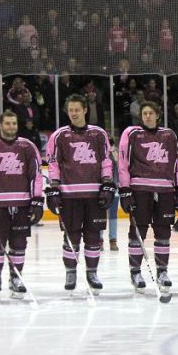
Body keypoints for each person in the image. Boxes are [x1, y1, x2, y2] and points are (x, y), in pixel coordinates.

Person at [45, 94, 115, 293]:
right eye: (71, 110)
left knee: (93, 237)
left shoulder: (98, 134)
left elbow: (106, 161)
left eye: (77, 109)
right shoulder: (59, 136)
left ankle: (92, 272)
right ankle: (71, 272)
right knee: (71, 237)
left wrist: (107, 183)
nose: (74, 113)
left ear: (85, 110)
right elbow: (53, 163)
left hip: (94, 195)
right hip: (69, 196)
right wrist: (54, 188)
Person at [0, 111, 44, 300]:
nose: (11, 126)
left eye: (14, 123)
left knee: (19, 243)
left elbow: (35, 175)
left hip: (21, 203)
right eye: (8, 123)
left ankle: (16, 277)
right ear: (0, 125)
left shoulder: (27, 147)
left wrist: (37, 200)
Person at [118, 102, 178, 293]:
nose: (147, 116)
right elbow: (123, 163)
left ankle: (162, 271)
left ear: (158, 115)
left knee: (163, 232)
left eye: (151, 113)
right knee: (138, 231)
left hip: (165, 190)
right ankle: (135, 272)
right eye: (144, 113)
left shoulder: (169, 135)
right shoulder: (132, 134)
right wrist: (125, 189)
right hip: (140, 189)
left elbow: (176, 165)